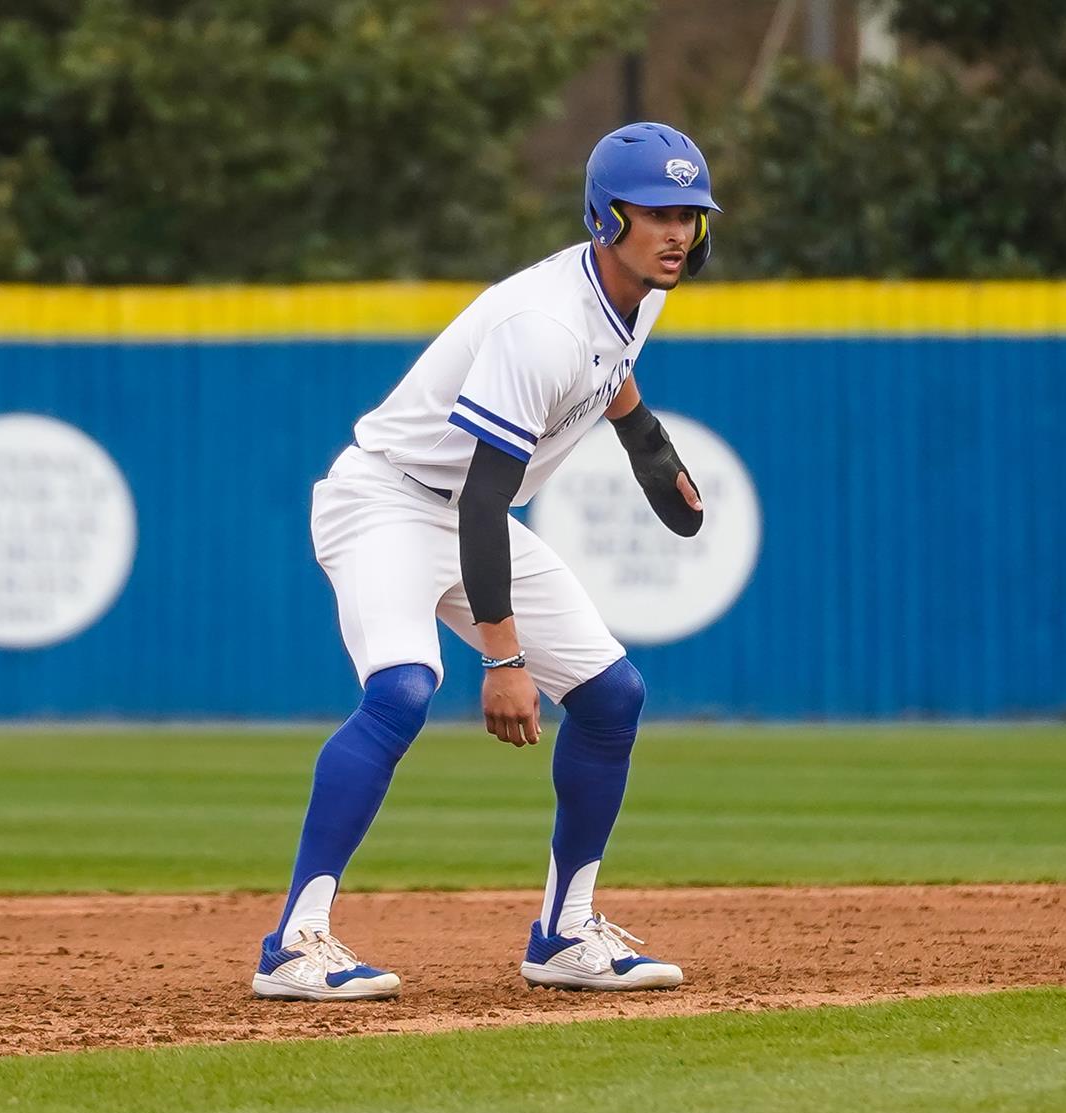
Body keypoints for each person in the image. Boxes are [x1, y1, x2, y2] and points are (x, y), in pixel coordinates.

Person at [251, 122, 718, 1001]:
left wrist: (646, 443)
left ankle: (564, 931)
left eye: (689, 214)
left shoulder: (643, 292)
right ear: (605, 217)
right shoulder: (538, 326)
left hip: (471, 516)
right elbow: (481, 496)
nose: (676, 233)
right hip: (387, 501)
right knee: (401, 690)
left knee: (613, 696)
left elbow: (607, 364)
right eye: (654, 212)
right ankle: (295, 940)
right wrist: (504, 660)